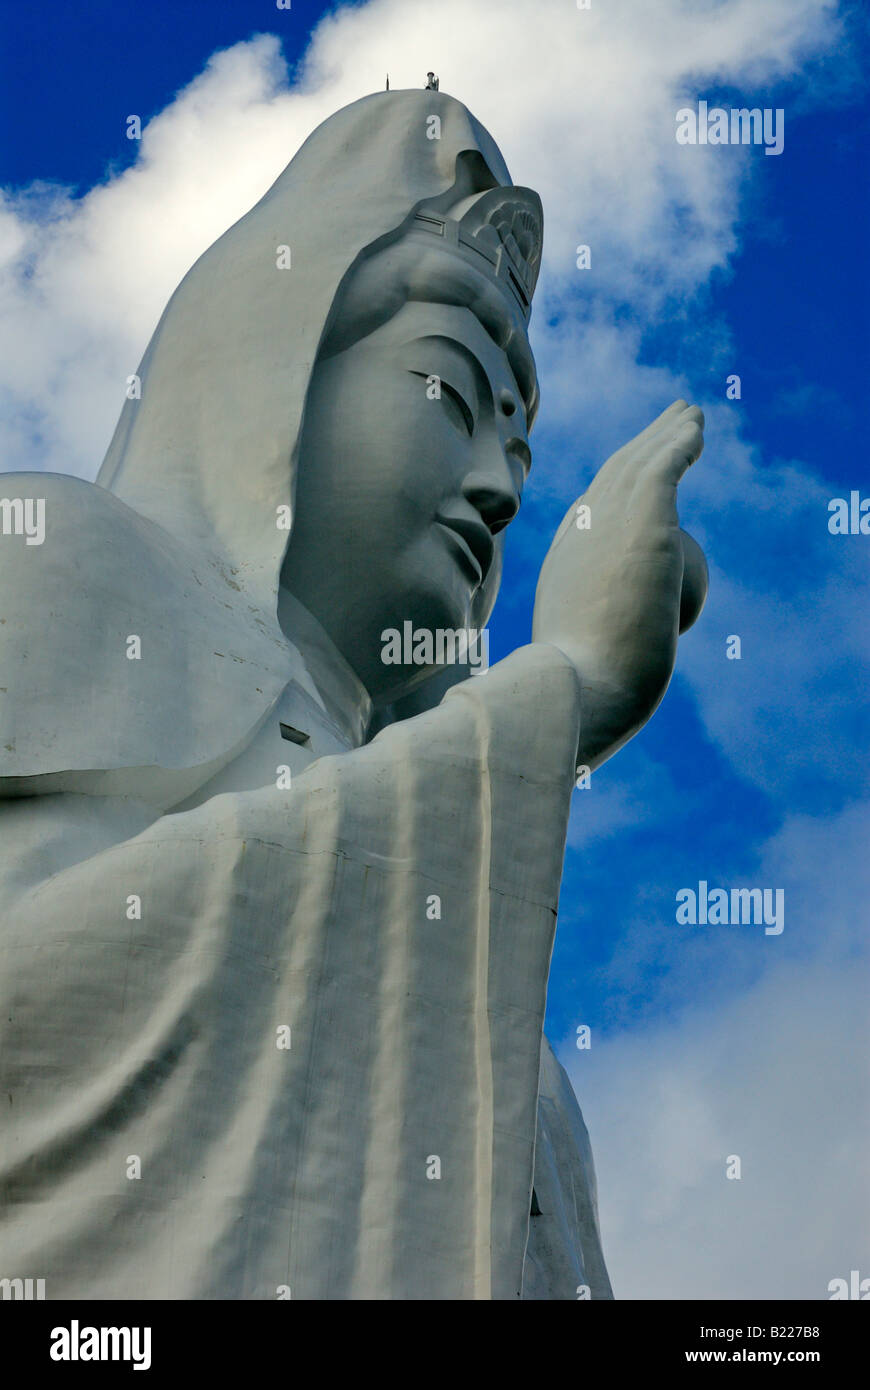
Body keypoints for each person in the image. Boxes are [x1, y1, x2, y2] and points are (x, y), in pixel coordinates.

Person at [0, 87, 705, 1299]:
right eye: (451, 396)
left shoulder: (473, 925)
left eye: (521, 453)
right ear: (272, 376)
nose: (497, 488)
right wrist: (561, 698)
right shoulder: (61, 567)